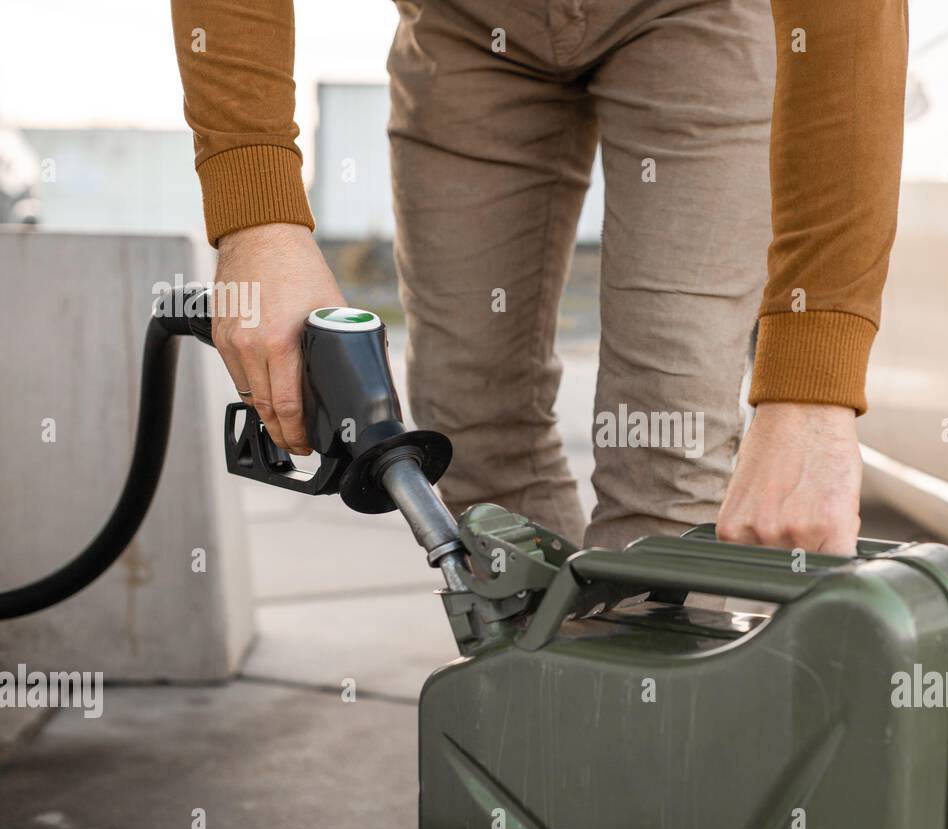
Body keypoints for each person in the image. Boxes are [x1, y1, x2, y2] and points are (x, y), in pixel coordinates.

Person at [170, 0, 907, 556]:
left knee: (668, 453)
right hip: (470, 21)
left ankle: (646, 740)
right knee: (471, 439)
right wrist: (258, 218)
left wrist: (812, 393)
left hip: (695, 14)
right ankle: (541, 730)